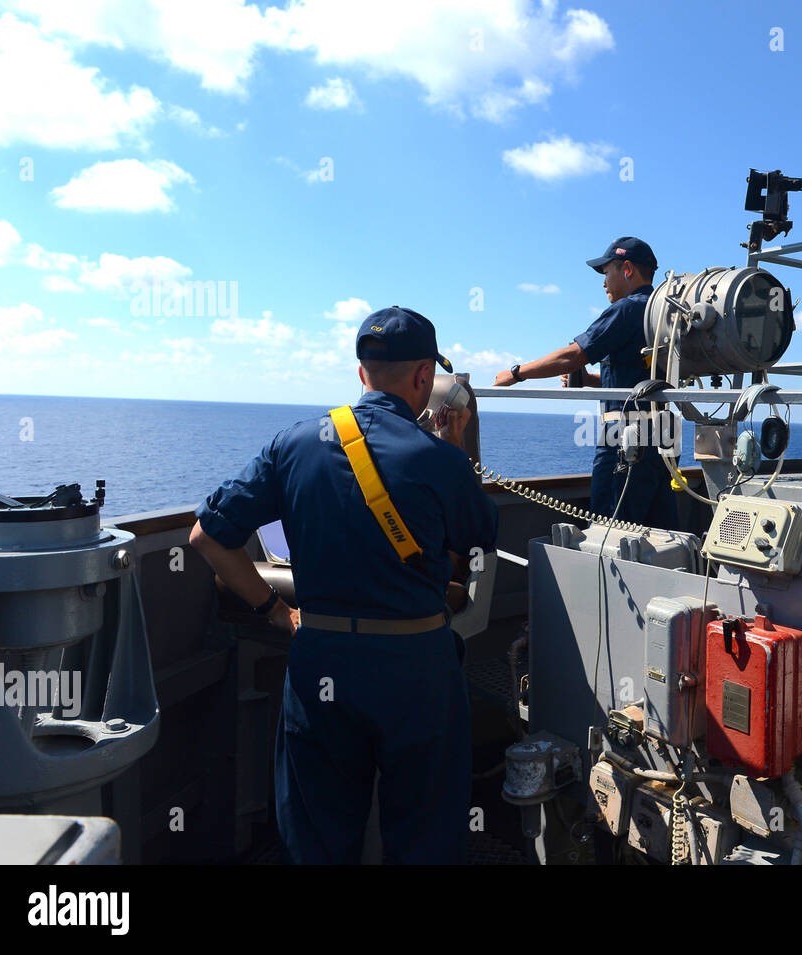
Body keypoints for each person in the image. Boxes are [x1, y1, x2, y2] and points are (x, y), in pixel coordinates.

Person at [189, 306, 498, 864]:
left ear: (362, 374)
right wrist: (457, 452)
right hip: (417, 667)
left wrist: (275, 614)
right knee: (425, 836)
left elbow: (208, 538)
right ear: (425, 377)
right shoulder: (440, 460)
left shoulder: (294, 443)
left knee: (317, 839)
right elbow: (477, 543)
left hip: (323, 661)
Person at [494, 237, 680, 529]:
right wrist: (592, 380)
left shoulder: (627, 309)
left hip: (625, 437)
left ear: (627, 269)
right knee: (661, 530)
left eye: (607, 273)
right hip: (663, 436)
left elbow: (574, 354)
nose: (604, 283)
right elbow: (643, 376)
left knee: (613, 532)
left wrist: (517, 374)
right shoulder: (663, 314)